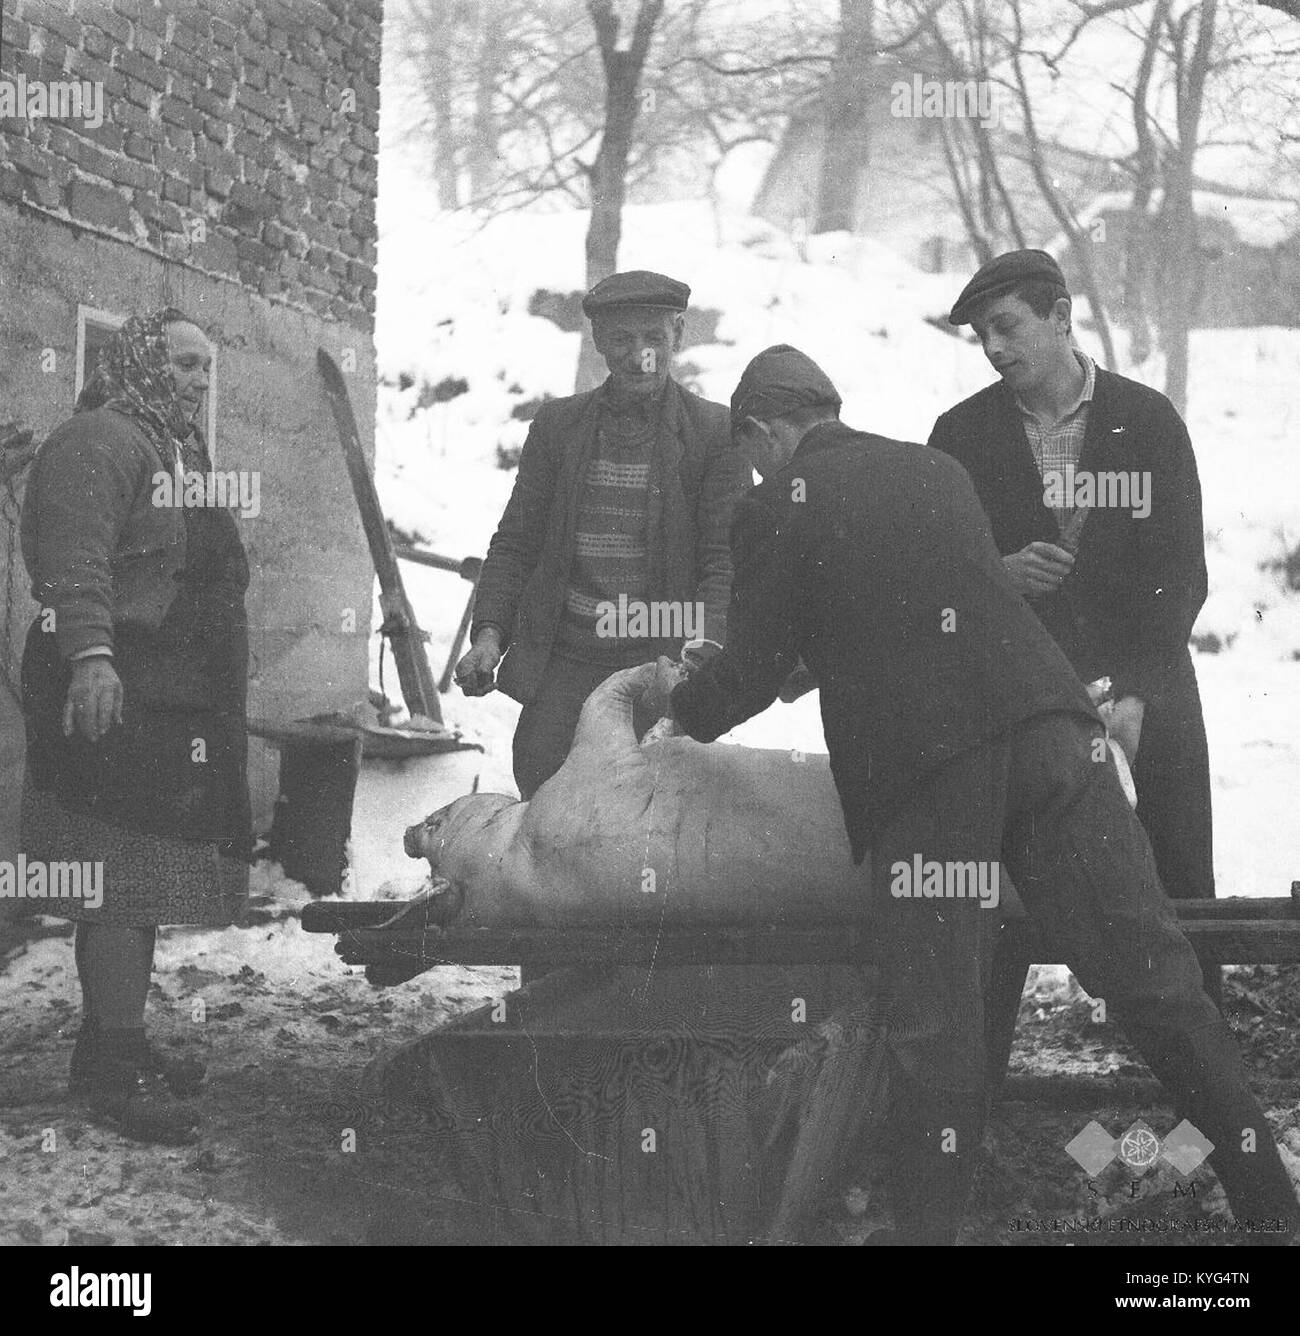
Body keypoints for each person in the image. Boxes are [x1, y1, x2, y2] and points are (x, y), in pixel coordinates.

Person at [651, 343, 1296, 1244]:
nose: (753, 465)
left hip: (929, 771)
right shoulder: (935, 468)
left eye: (751, 447)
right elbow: (926, 601)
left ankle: (927, 1235)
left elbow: (755, 667)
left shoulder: (773, 503)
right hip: (1052, 736)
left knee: (938, 1017)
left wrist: (679, 713)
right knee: (1159, 984)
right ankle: (1274, 1205)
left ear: (765, 428)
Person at [927, 249, 1218, 1021]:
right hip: (1022, 696)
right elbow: (936, 574)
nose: (993, 348)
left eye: (1007, 326)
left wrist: (1131, 688)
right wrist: (1000, 573)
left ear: (1061, 316)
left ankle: (1200, 1082)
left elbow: (1182, 575)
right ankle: (987, 1087)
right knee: (1009, 882)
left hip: (1145, 681)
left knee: (1179, 878)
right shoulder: (960, 434)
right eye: (982, 335)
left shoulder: (1146, 420)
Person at [20, 308, 251, 1143]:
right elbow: (72, 560)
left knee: (135, 879)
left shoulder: (174, 449)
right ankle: (110, 1077)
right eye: (183, 364)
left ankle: (112, 1045)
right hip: (108, 686)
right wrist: (90, 658)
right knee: (116, 877)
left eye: (205, 368)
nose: (197, 381)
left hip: (157, 694)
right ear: (142, 366)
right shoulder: (100, 439)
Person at [454, 270, 751, 799]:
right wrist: (489, 636)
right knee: (542, 784)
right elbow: (516, 542)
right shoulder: (558, 428)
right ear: (599, 343)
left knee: (643, 811)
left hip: (658, 662)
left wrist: (696, 667)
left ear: (677, 337)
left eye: (654, 339)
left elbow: (723, 563)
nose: (641, 355)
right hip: (565, 659)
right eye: (622, 339)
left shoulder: (714, 435)